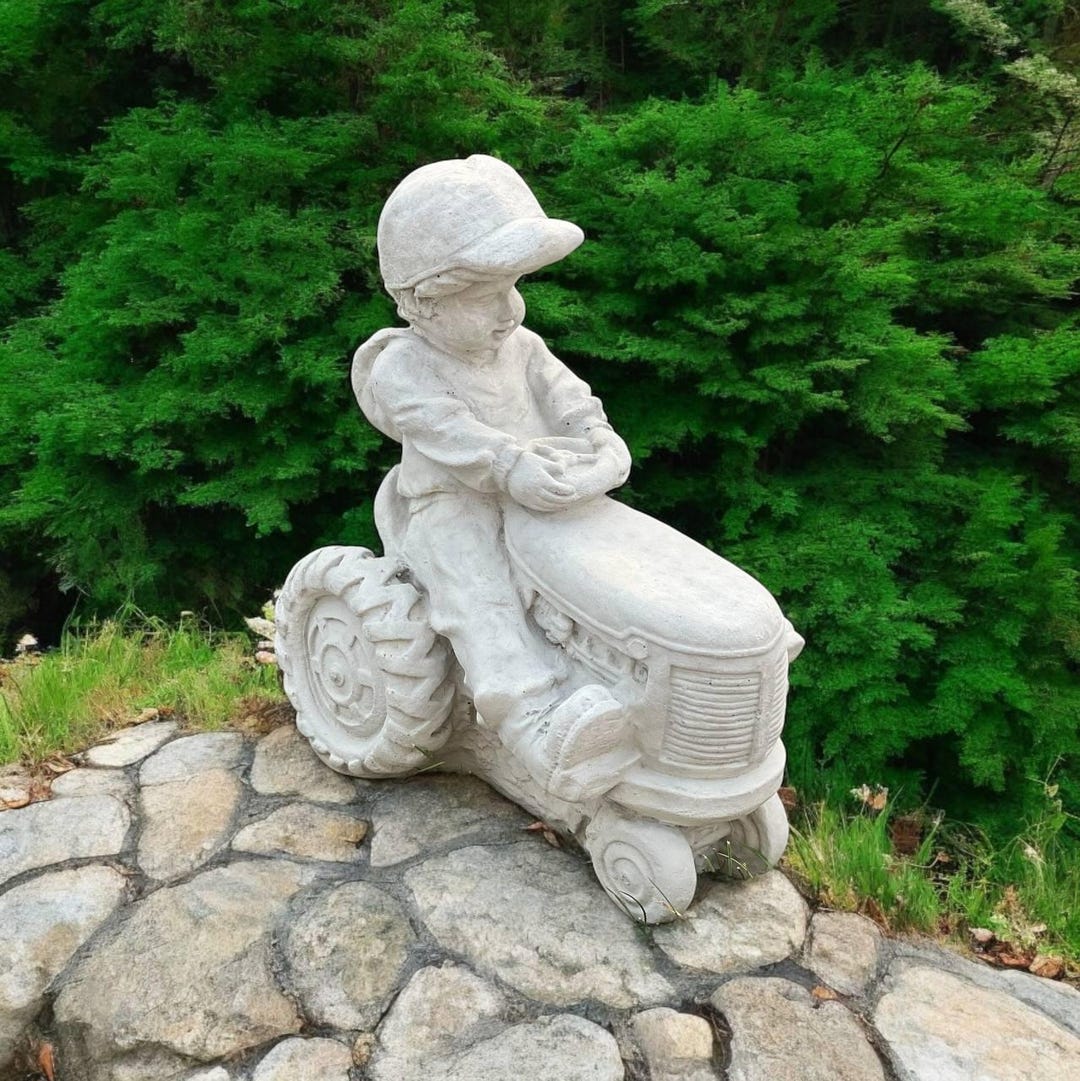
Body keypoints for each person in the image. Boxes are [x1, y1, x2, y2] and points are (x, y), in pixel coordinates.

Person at [352, 155, 636, 802]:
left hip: (542, 488)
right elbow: (447, 429)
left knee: (613, 555)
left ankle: (630, 688)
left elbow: (569, 397)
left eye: (514, 285)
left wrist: (598, 439)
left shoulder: (523, 346)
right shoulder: (404, 367)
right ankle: (533, 721)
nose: (511, 309)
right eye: (487, 295)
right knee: (482, 594)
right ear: (422, 302)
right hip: (451, 508)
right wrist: (509, 465)